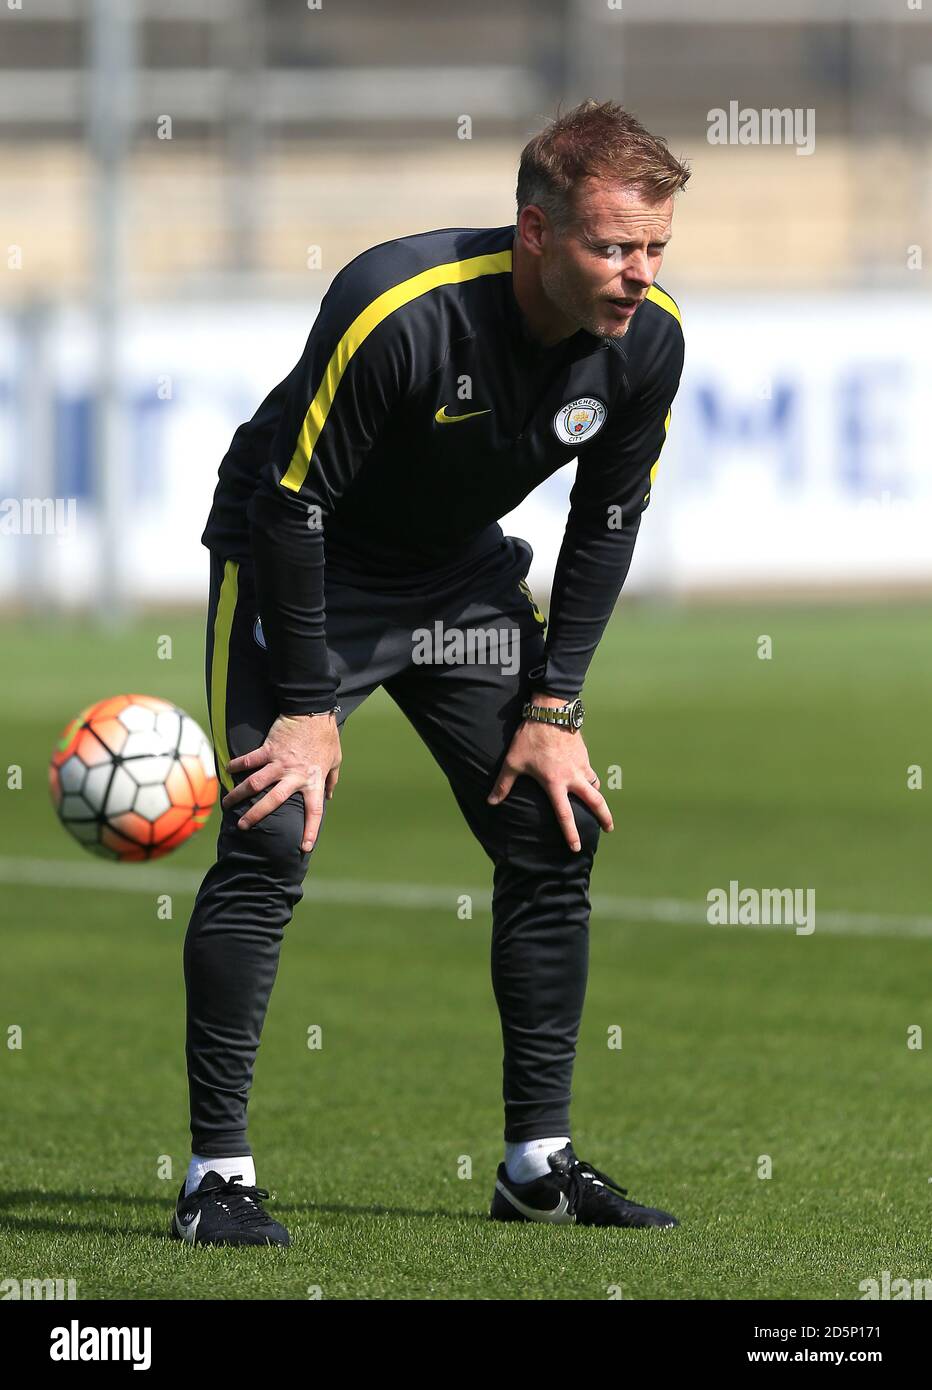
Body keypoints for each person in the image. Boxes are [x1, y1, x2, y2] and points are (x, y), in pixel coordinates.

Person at [170, 99, 690, 1246]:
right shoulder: (394, 310)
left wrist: (554, 708)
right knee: (268, 833)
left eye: (652, 248)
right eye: (611, 247)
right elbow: (288, 503)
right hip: (298, 566)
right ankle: (215, 1176)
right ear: (534, 235)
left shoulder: (645, 341)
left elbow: (606, 519)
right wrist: (307, 707)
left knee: (553, 825)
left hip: (454, 582)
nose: (636, 275)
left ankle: (534, 1166)